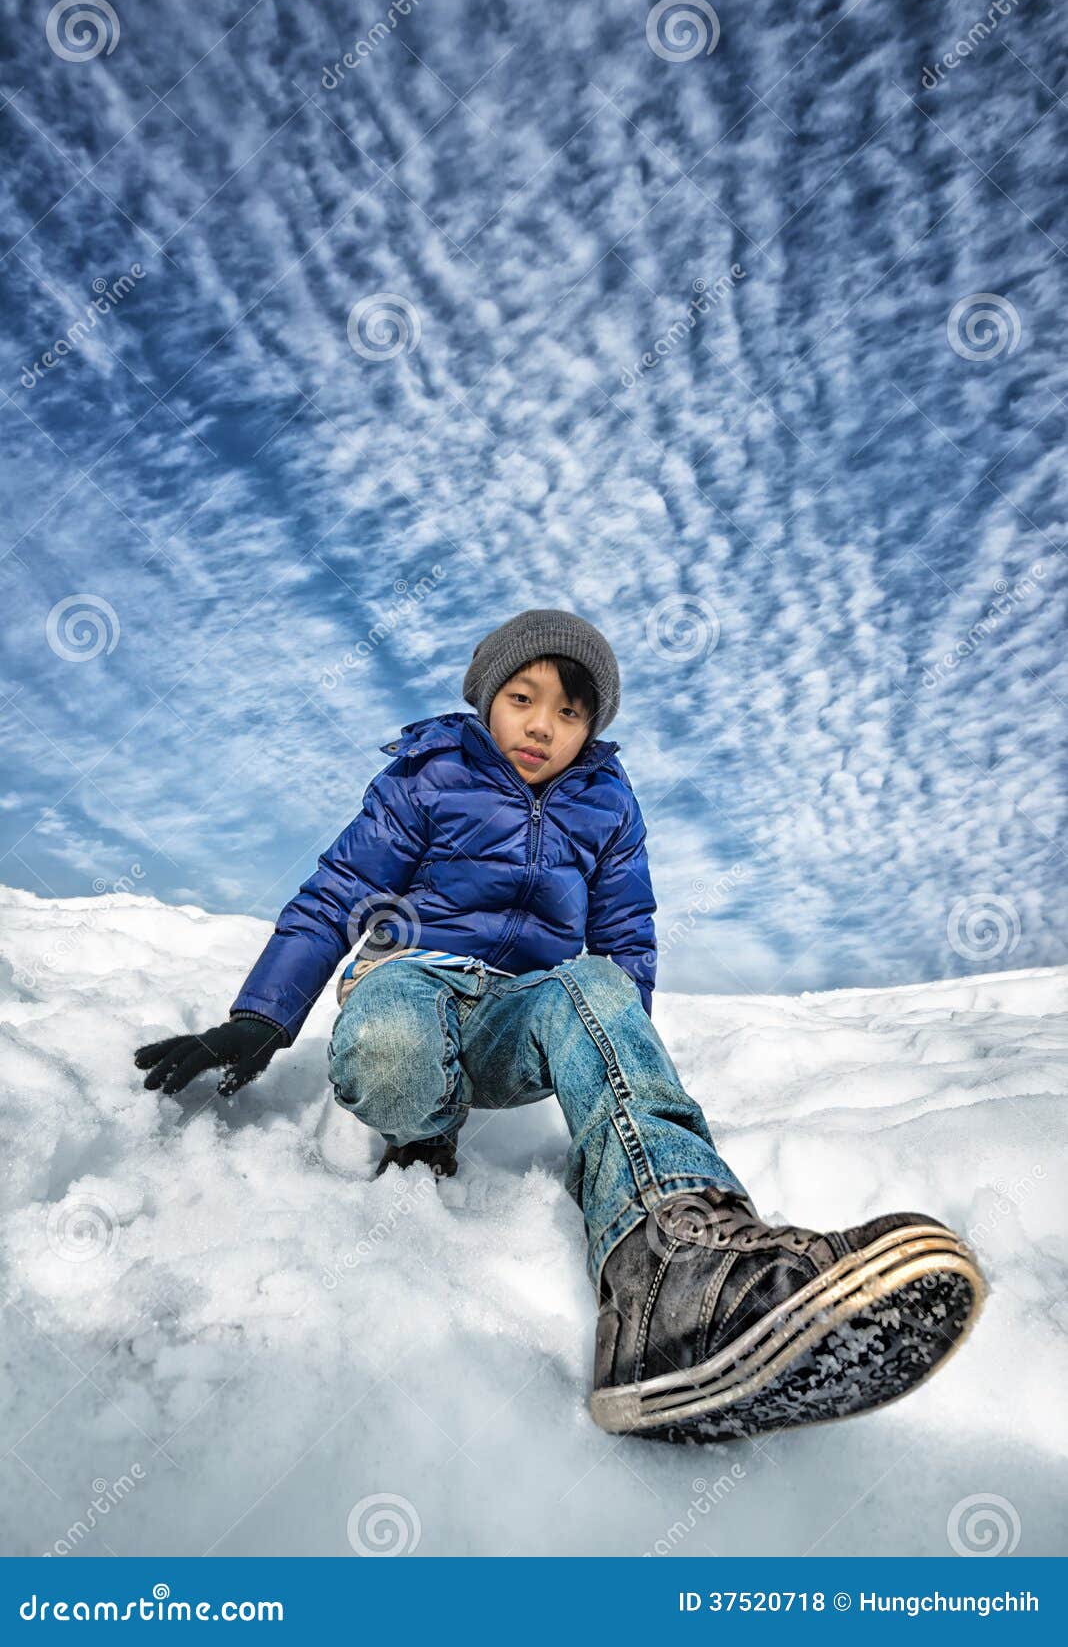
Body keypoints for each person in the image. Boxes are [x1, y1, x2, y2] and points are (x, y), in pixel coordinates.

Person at [134, 609, 985, 1444]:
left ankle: (674, 1279)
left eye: (571, 711)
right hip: (410, 981)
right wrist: (260, 1017)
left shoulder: (607, 802)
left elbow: (625, 941)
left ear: (591, 729)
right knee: (394, 1041)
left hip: (523, 1009)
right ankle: (425, 1132)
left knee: (596, 981)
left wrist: (610, 1056)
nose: (544, 725)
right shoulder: (428, 774)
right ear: (485, 697)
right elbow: (337, 892)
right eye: (523, 698)